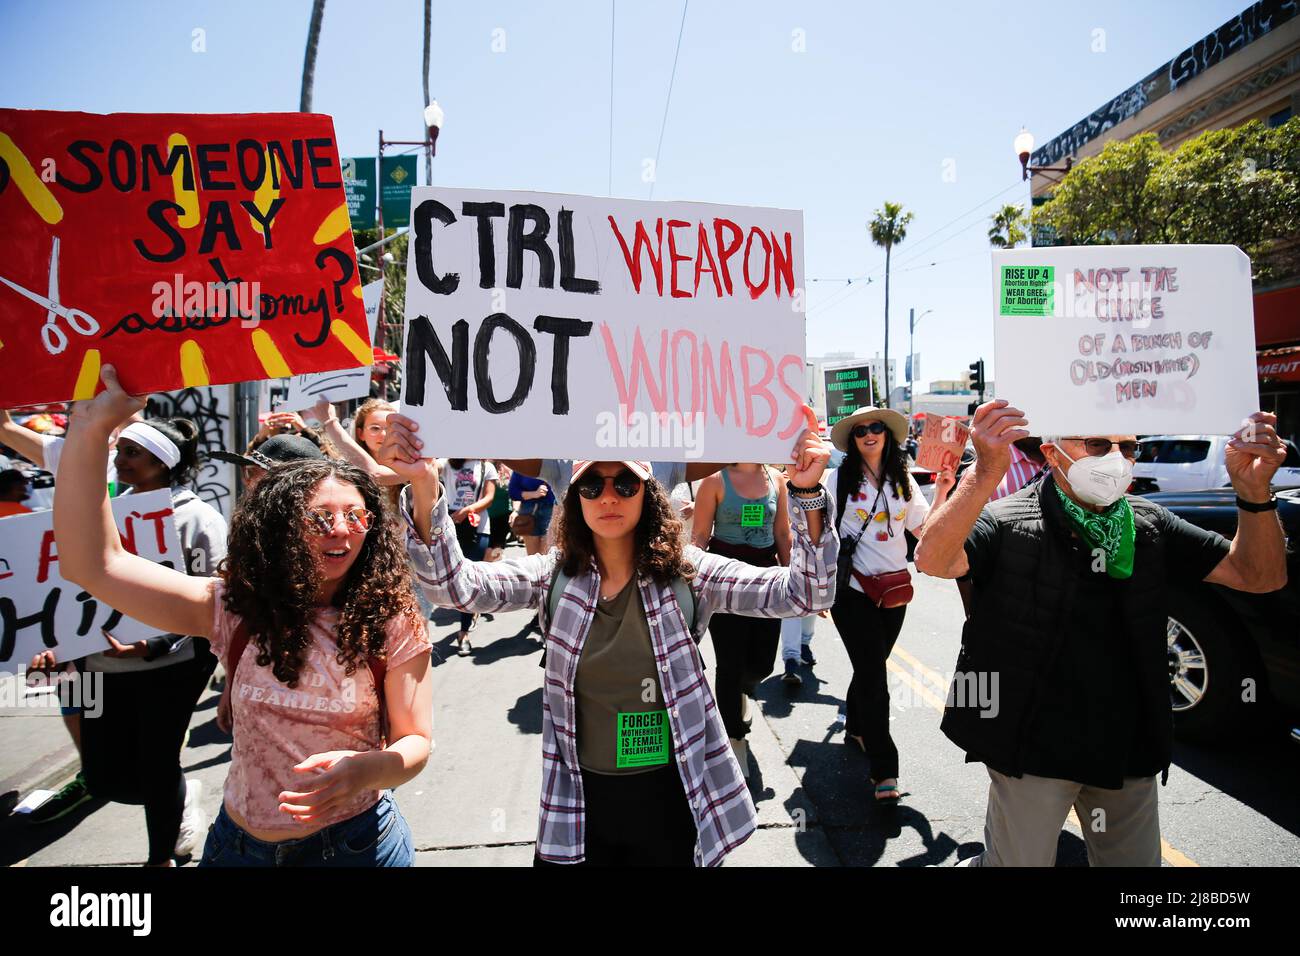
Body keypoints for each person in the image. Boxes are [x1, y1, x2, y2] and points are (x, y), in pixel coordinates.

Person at [380, 415, 837, 866]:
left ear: (648, 492)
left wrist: (806, 494)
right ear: (575, 497)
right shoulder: (551, 575)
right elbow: (451, 588)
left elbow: (807, 592)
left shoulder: (691, 572)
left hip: (673, 796)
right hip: (579, 802)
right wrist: (424, 485)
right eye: (592, 486)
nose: (609, 496)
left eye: (625, 483)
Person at [53, 366, 434, 868]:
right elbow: (95, 565)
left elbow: (416, 742)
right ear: (282, 526)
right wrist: (90, 427)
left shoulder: (392, 620)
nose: (342, 531)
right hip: (236, 849)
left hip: (354, 847)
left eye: (357, 515)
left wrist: (366, 771)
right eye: (322, 517)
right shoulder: (235, 608)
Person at [914, 401, 1288, 867]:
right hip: (1033, 748)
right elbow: (933, 560)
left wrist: (1255, 494)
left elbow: (1258, 576)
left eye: (1127, 447)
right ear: (1052, 455)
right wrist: (986, 471)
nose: (1116, 458)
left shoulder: (1150, 523)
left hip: (1127, 747)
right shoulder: (1009, 519)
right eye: (1096, 444)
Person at [33, 413, 227, 865]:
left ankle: (160, 853)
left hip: (169, 670)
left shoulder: (197, 519)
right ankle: (178, 796)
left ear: (163, 463)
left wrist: (154, 644)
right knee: (103, 778)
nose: (119, 461)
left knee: (157, 765)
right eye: (119, 450)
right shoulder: (95, 511)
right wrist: (54, 645)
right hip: (97, 666)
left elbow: (215, 603)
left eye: (132, 452)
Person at [825, 406, 954, 804]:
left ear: (887, 434)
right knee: (874, 676)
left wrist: (945, 490)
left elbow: (924, 528)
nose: (868, 434)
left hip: (894, 589)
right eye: (860, 430)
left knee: (872, 665)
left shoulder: (903, 479)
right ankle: (885, 770)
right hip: (852, 591)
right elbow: (817, 532)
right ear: (852, 440)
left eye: (875, 427)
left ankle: (857, 726)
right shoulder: (836, 479)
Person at [690, 462, 790, 777]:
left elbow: (783, 534)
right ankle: (734, 737)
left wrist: (796, 583)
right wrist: (691, 586)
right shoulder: (714, 481)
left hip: (766, 581)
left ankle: (742, 690)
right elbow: (701, 536)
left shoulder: (776, 480)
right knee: (730, 664)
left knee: (763, 665)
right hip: (725, 583)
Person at [442, 457, 498, 655]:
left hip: (478, 528)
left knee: (469, 580)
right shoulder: (447, 464)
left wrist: (467, 510)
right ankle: (471, 609)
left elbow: (489, 498)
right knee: (457, 580)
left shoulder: (486, 466)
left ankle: (463, 633)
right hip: (451, 527)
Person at [485, 461, 514, 562]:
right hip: (486, 516)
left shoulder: (507, 468)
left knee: (498, 546)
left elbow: (511, 489)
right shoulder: (484, 467)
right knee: (487, 547)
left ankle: (495, 570)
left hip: (503, 514)